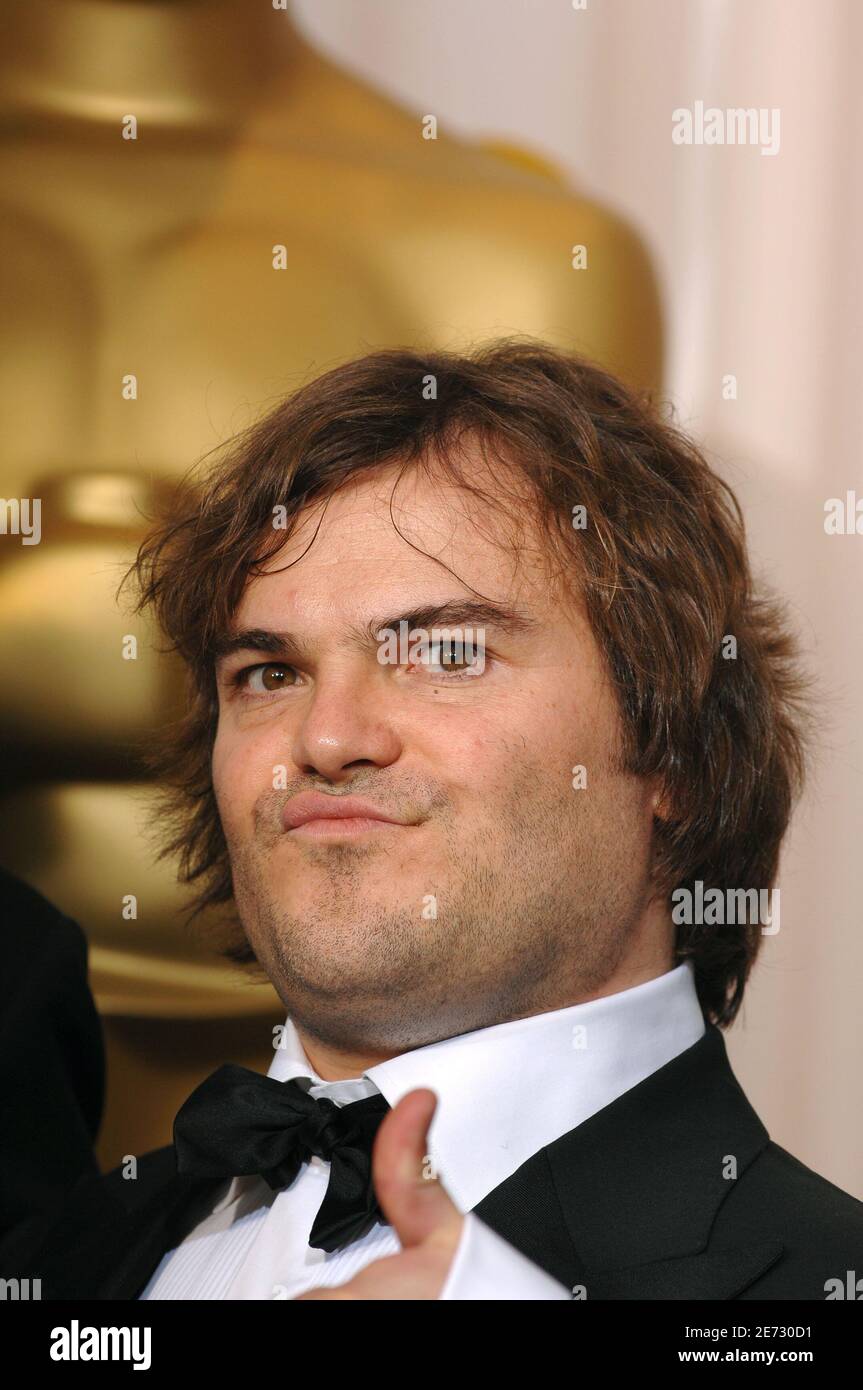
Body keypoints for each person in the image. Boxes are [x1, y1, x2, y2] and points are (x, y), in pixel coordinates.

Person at [4, 339, 861, 1300]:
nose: (326, 737)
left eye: (446, 653)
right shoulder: (57, 1255)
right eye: (271, 673)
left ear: (676, 755)